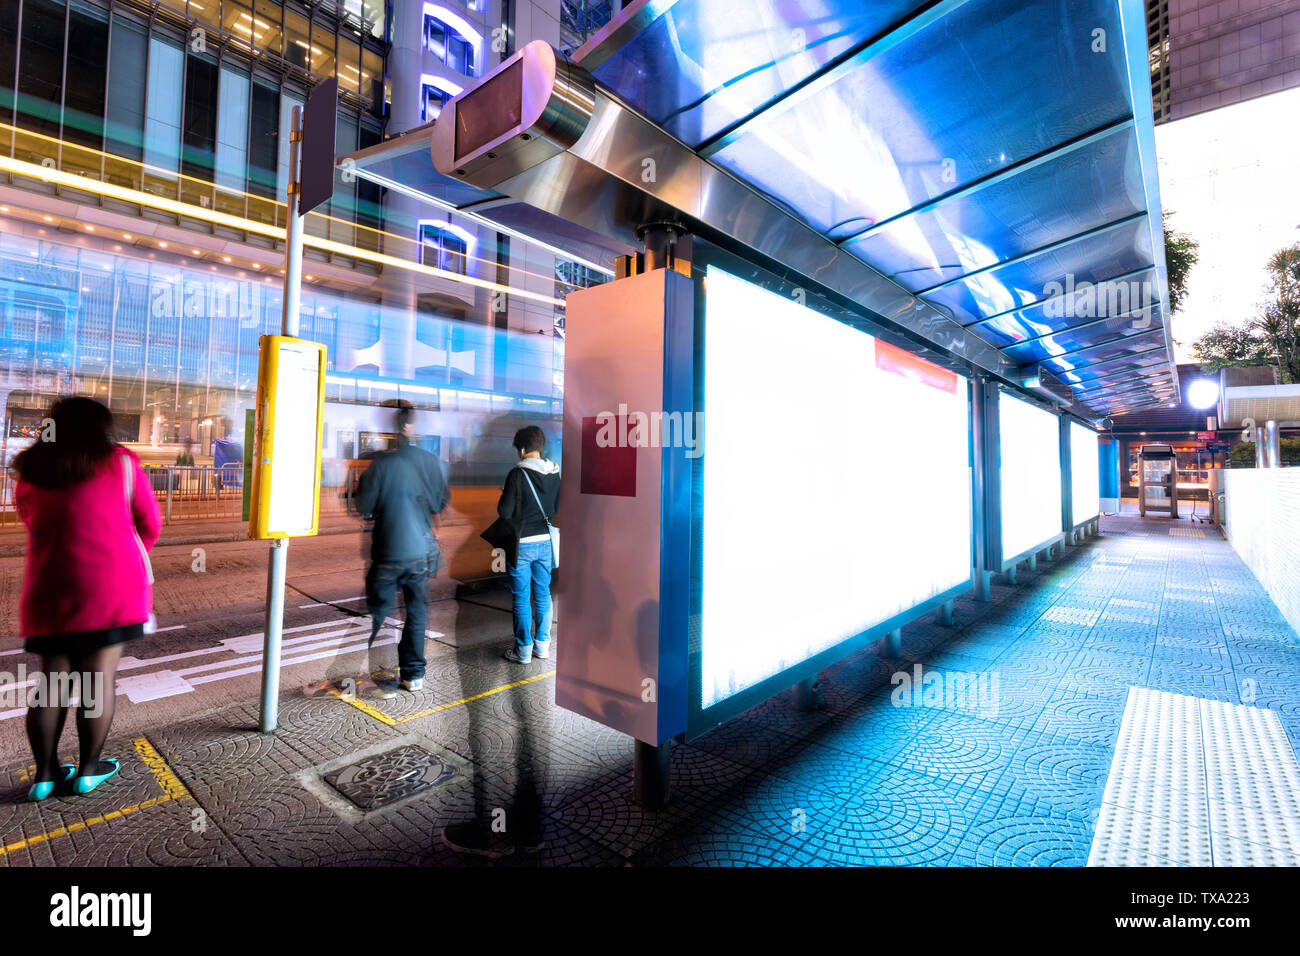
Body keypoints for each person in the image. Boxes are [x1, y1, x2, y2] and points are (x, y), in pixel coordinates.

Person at [13, 396, 161, 801]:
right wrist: (121, 553)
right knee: (97, 683)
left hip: (50, 588)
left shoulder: (32, 467)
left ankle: (44, 775)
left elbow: (29, 516)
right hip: (111, 588)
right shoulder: (121, 462)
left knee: (52, 683)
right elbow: (150, 522)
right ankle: (88, 771)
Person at [354, 403, 449, 697]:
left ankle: (383, 677)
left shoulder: (381, 464)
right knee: (416, 611)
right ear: (412, 427)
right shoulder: (430, 462)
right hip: (420, 551)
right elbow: (440, 502)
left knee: (379, 612)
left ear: (394, 429)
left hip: (387, 551)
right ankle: (414, 674)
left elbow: (364, 507)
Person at [497, 426, 560, 664]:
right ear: (541, 447)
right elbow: (555, 507)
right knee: (543, 593)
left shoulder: (517, 474)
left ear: (522, 449)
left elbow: (504, 512)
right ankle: (543, 645)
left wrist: (504, 497)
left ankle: (523, 650)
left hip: (521, 543)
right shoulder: (555, 472)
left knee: (521, 597)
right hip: (545, 541)